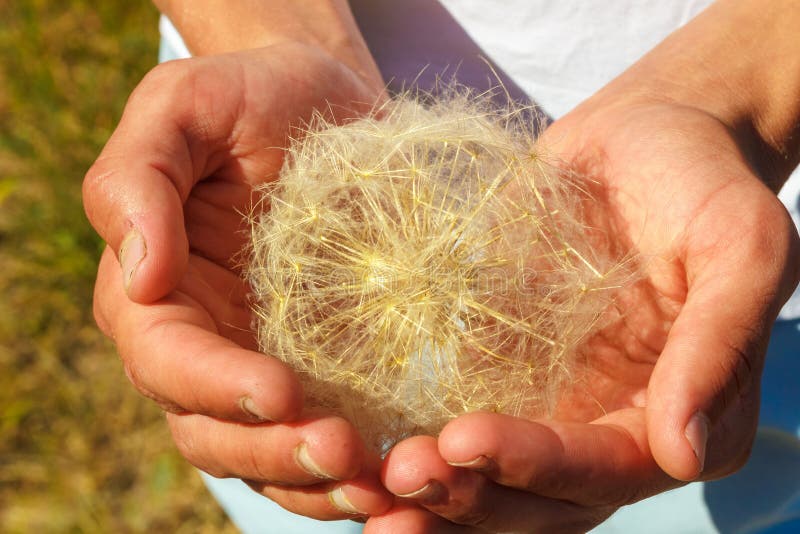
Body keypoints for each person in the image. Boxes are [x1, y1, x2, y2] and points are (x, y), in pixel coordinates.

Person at [83, 0, 800, 532]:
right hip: (271, 229)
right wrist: (268, 34)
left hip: (700, 277)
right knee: (308, 463)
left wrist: (745, 93)